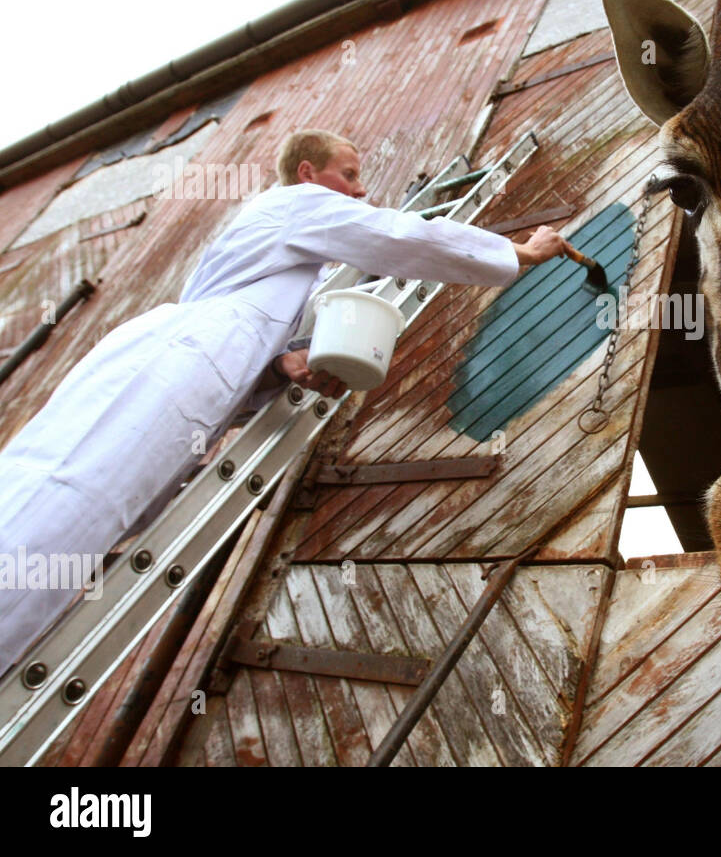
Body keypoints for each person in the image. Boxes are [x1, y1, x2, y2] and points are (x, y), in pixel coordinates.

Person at [0, 129, 569, 675]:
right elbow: (397, 237)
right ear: (307, 173)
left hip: (194, 369)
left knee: (98, 512)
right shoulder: (298, 204)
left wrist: (279, 367)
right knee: (75, 493)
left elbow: (254, 332)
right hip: (166, 365)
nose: (360, 189)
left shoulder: (288, 258)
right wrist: (519, 252)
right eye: (349, 174)